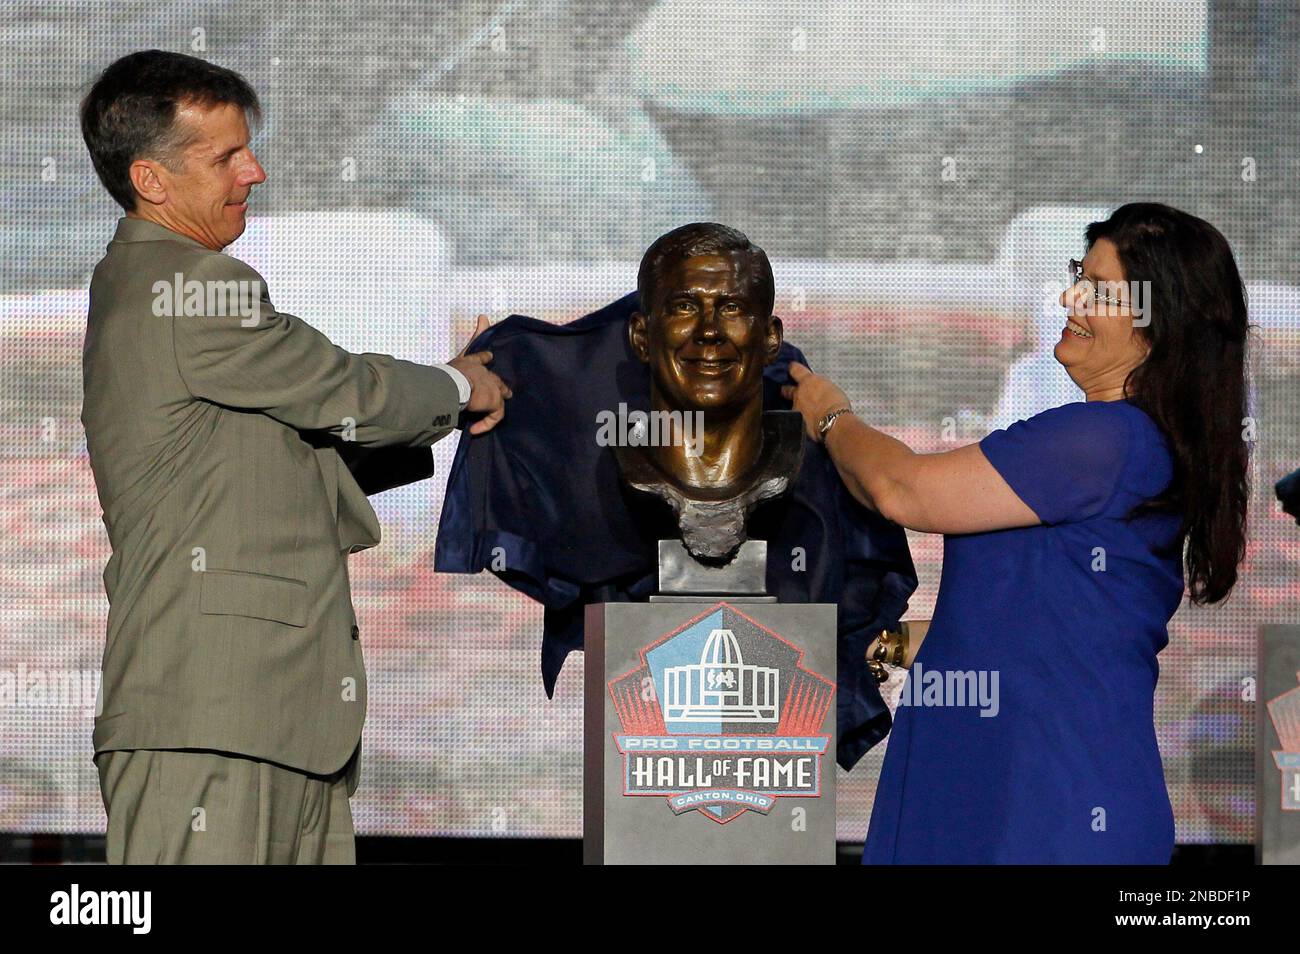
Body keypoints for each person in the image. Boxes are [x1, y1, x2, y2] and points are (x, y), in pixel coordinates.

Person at [79, 49, 510, 864]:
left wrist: (452, 403)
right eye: (226, 157)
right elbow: (341, 390)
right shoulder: (192, 288)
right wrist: (462, 385)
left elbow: (294, 453)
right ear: (152, 179)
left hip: (268, 723)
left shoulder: (154, 289)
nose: (256, 170)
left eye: (249, 148)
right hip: (215, 721)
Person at [784, 203, 1249, 863]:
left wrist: (830, 417)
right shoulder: (1130, 446)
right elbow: (1028, 634)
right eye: (1076, 276)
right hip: (1010, 790)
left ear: (1161, 326)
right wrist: (881, 645)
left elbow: (902, 488)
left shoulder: (1103, 439)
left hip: (1044, 807)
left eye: (1102, 291)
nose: (1070, 298)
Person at [435, 224, 917, 770]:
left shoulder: (814, 475)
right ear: (642, 335)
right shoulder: (612, 468)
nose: (708, 332)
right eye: (685, 306)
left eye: (732, 307)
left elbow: (906, 493)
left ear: (771, 336)